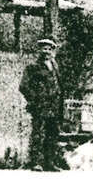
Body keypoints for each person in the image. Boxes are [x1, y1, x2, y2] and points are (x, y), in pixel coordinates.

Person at [20, 38, 64, 171]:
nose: (46, 51)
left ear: (53, 51)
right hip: (40, 106)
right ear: (39, 50)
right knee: (38, 133)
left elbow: (59, 86)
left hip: (54, 106)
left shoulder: (55, 66)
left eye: (49, 49)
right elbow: (23, 86)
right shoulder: (33, 67)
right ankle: (35, 162)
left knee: (52, 134)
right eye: (44, 48)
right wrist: (34, 100)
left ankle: (49, 162)